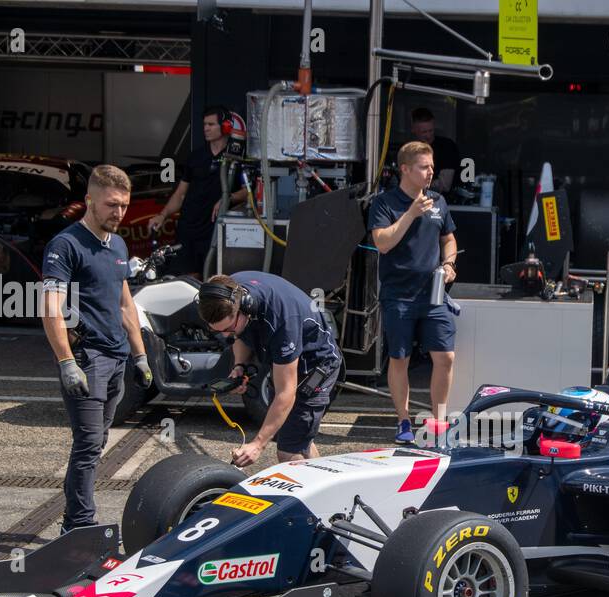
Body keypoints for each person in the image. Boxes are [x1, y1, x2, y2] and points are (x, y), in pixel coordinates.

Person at [41, 164, 153, 535]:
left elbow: (125, 305)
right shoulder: (65, 245)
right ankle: (78, 525)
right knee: (88, 444)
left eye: (123, 205)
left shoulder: (118, 244)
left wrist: (140, 355)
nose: (118, 213)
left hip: (117, 357)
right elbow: (51, 309)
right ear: (89, 200)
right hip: (87, 359)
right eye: (111, 205)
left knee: (100, 441)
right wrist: (66, 362)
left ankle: (78, 521)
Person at [197, 272, 341, 465]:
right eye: (218, 331)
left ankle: (311, 491)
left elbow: (286, 392)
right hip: (286, 360)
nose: (225, 336)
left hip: (317, 367)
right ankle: (326, 488)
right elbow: (240, 335)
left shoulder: (281, 320)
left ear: (245, 307)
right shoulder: (226, 292)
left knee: (288, 453)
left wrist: (257, 445)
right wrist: (240, 365)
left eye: (228, 329)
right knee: (298, 438)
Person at [368, 141, 458, 443]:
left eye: (432, 166)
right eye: (424, 167)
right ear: (405, 169)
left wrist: (449, 264)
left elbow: (449, 238)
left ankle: (440, 421)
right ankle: (404, 421)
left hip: (433, 294)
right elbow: (382, 243)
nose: (430, 172)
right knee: (400, 359)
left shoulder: (438, 201)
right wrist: (409, 214)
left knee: (445, 356)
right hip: (398, 294)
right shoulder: (385, 203)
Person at [148, 105, 248, 277]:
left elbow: (248, 192)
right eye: (204, 125)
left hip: (213, 230)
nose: (206, 128)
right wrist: (163, 215)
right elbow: (180, 193)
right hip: (188, 229)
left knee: (212, 277)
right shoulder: (196, 156)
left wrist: (228, 198)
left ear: (225, 127)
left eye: (211, 124)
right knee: (183, 278)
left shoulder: (237, 158)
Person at [410, 107, 461, 195]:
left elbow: (444, 185)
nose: (428, 135)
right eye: (424, 132)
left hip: (441, 201)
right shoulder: (409, 150)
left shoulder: (446, 147)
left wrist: (414, 183)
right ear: (414, 129)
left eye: (431, 131)